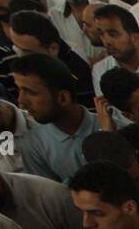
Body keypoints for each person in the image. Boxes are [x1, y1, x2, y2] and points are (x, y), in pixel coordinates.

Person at [10, 52, 102, 182]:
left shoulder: (109, 127)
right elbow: (49, 195)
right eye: (19, 90)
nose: (21, 100)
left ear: (63, 98)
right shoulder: (34, 144)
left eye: (31, 92)